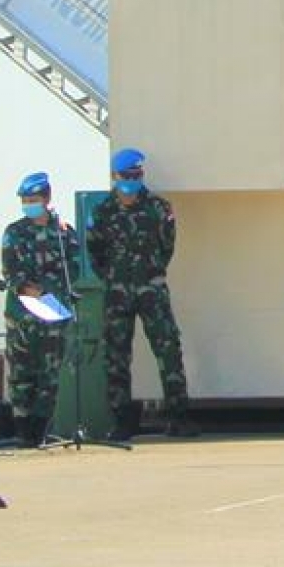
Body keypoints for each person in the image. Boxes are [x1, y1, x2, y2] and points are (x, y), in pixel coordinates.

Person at [86, 148, 195, 439]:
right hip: (116, 292)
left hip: (151, 288)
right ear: (114, 177)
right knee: (116, 356)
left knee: (168, 348)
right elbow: (94, 251)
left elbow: (167, 246)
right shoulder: (102, 211)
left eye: (136, 176)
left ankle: (178, 416)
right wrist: (113, 277)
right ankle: (122, 421)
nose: (132, 181)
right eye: (126, 177)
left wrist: (150, 272)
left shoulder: (159, 208)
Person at [1, 171, 83, 449]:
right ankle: (23, 430)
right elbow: (10, 272)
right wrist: (30, 288)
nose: (28, 204)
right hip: (22, 315)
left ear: (47, 199)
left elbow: (73, 270)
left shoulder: (64, 233)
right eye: (25, 200)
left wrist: (53, 291)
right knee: (21, 374)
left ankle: (41, 429)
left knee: (49, 374)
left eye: (33, 199)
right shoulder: (14, 232)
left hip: (52, 315)